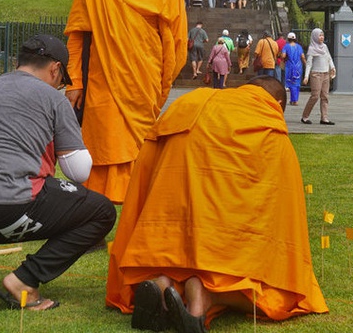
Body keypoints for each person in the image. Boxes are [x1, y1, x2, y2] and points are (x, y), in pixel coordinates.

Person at [106, 77, 329, 333]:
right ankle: (207, 295)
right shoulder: (266, 120)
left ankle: (164, 283)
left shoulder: (194, 100)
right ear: (278, 103)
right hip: (221, 241)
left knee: (179, 260)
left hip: (171, 220)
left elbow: (147, 163)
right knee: (282, 296)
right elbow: (279, 210)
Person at [0, 35, 117, 309]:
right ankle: (25, 279)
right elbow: (78, 171)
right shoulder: (53, 99)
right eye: (62, 81)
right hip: (3, 210)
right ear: (55, 69)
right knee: (102, 211)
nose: (59, 86)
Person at [65, 0, 188, 204]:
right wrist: (75, 82)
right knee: (102, 142)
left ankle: (137, 209)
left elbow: (176, 40)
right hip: (103, 79)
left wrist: (163, 80)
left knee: (142, 147)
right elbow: (77, 35)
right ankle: (95, 210)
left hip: (145, 79)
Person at [301, 28, 336, 125]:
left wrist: (332, 67)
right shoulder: (312, 48)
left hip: (326, 74)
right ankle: (305, 116)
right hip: (316, 74)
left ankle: (324, 118)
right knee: (315, 96)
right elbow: (309, 63)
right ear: (315, 37)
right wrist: (306, 76)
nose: (321, 37)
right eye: (319, 35)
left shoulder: (324, 47)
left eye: (322, 35)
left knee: (325, 96)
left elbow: (329, 58)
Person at [281, 32, 305, 105]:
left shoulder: (286, 46)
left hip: (290, 67)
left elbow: (283, 56)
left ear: (288, 39)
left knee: (292, 83)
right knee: (297, 83)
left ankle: (295, 100)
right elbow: (303, 57)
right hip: (298, 67)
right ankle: (293, 99)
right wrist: (306, 64)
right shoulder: (299, 47)